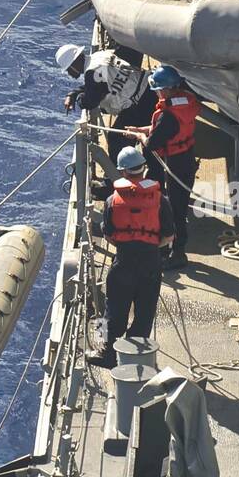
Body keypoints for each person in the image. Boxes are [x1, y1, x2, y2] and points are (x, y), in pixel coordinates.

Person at [86, 146, 174, 367]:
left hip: (123, 262)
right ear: (143, 169)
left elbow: (108, 234)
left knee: (111, 311)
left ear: (123, 172)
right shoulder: (160, 199)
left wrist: (126, 244)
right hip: (150, 263)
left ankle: (104, 353)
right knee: (144, 315)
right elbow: (169, 235)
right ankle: (134, 360)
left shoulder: (112, 200)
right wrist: (152, 245)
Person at [126, 65, 200, 270]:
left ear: (166, 90)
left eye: (158, 90)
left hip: (175, 165)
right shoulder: (184, 102)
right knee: (178, 204)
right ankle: (173, 249)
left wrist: (139, 136)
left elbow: (151, 145)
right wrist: (140, 129)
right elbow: (165, 130)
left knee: (176, 210)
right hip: (186, 159)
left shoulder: (168, 115)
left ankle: (177, 254)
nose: (157, 93)